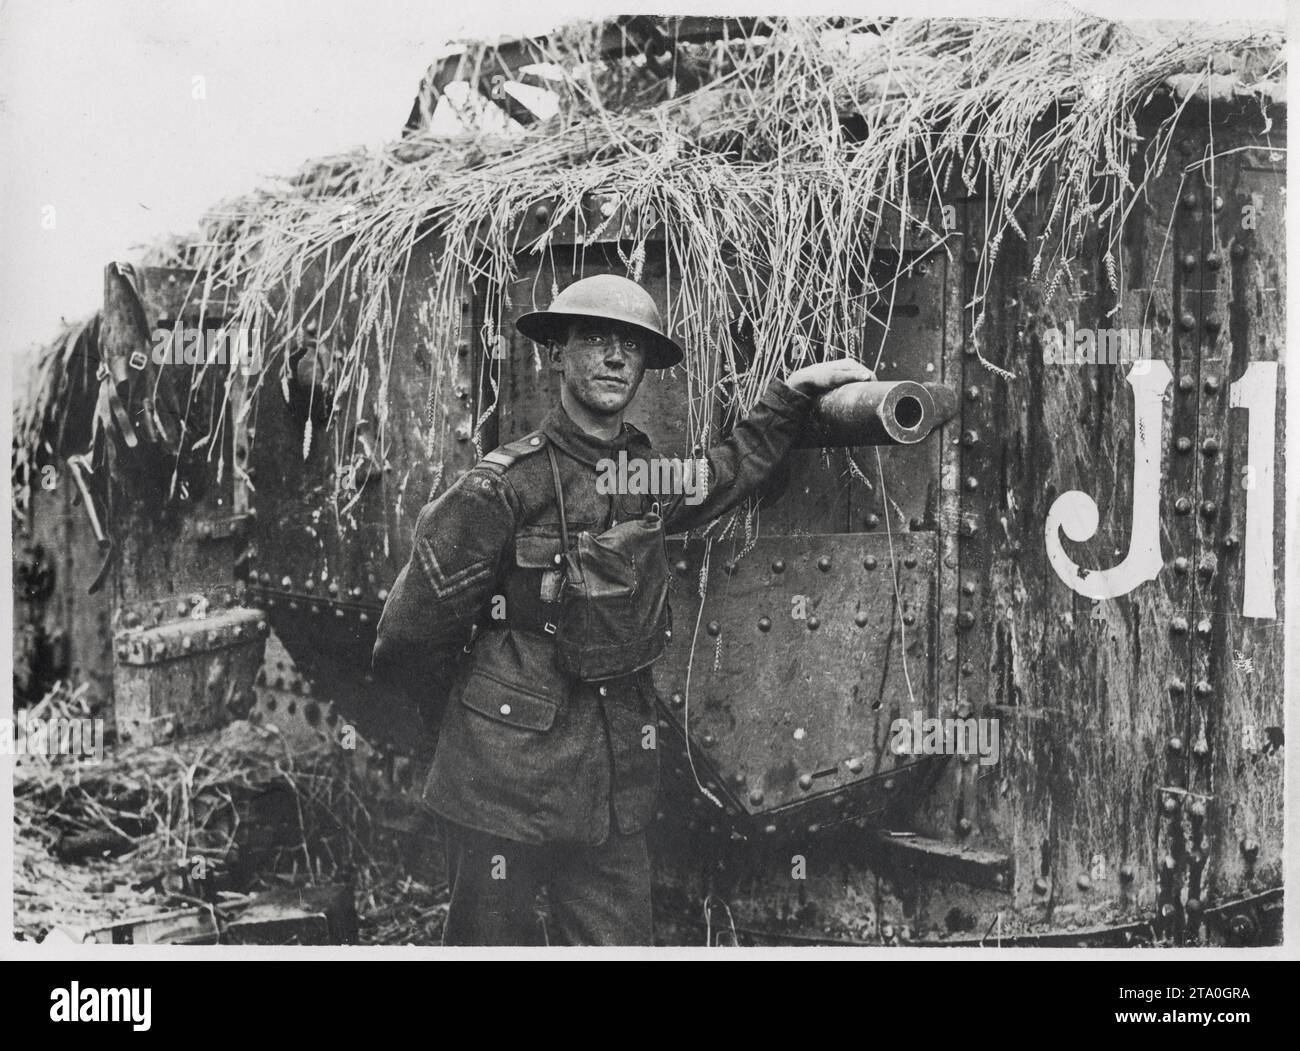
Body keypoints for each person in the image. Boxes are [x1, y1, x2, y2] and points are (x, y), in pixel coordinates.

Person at [373, 273, 872, 944]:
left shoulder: (640, 473)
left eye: (630, 346)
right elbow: (407, 638)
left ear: (644, 365)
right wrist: (475, 727)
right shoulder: (500, 487)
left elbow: (725, 470)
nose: (614, 357)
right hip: (502, 789)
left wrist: (790, 396)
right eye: (596, 339)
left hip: (609, 795)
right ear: (558, 353)